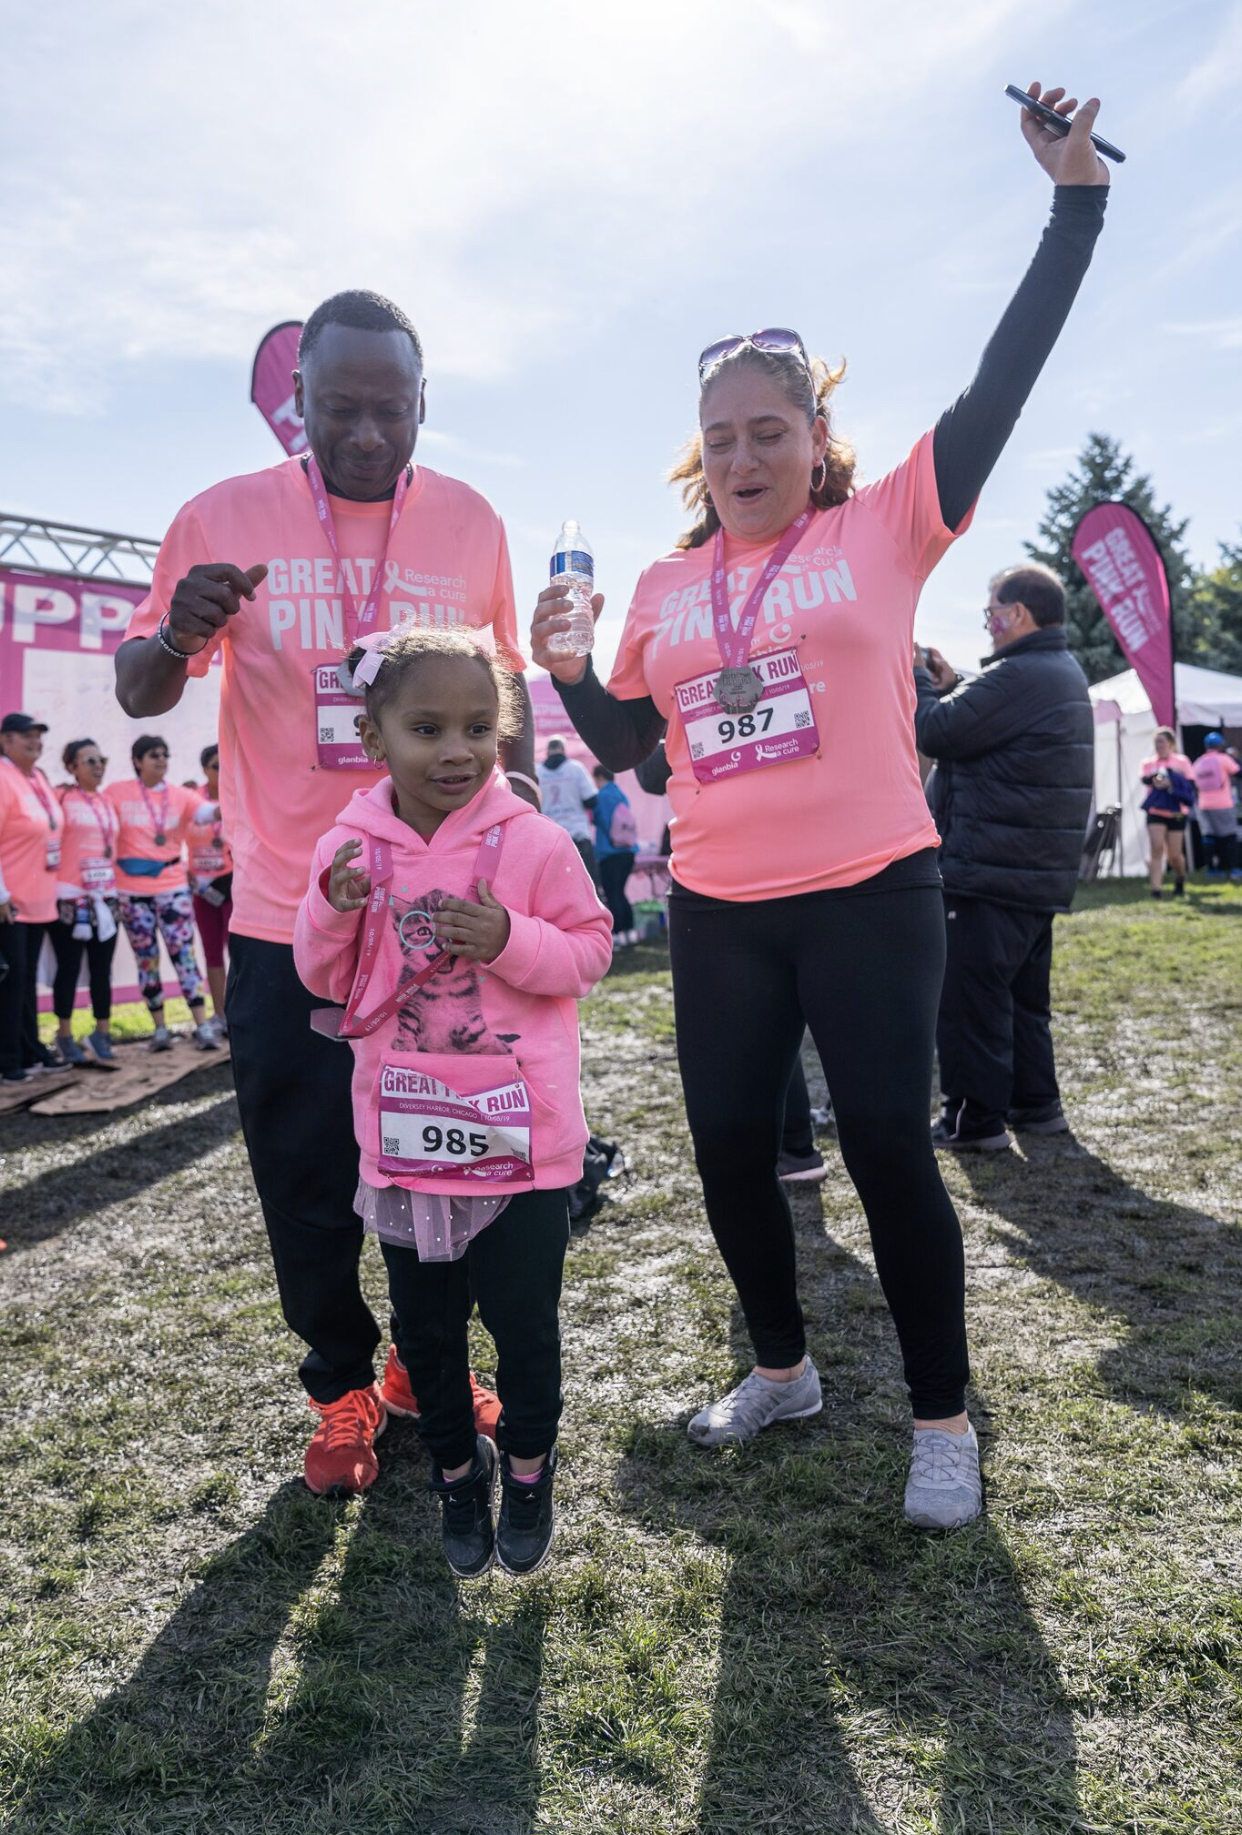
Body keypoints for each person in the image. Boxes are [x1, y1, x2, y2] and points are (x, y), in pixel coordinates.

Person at [531, 84, 1110, 1530]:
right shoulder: (662, 589)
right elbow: (636, 747)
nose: (741, 456)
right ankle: (781, 1367)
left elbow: (1003, 380)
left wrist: (1074, 201)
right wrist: (562, 669)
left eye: (767, 430)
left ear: (812, 434)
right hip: (720, 900)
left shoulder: (885, 525)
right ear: (697, 450)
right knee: (730, 1147)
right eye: (719, 435)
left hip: (871, 884)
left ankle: (939, 1412)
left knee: (879, 1140)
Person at [115, 289, 537, 1496]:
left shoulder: (470, 521)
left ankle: (423, 1370)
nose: (362, 433)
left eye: (388, 409)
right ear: (295, 401)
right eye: (337, 407)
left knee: (441, 1166)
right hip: (285, 924)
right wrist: (176, 632)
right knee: (305, 1181)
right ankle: (342, 1385)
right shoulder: (220, 516)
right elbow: (145, 688)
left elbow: (496, 712)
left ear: (422, 403)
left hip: (436, 925)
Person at [294, 626, 610, 1572]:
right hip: (408, 1143)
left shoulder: (537, 841)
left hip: (523, 1146)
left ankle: (524, 1472)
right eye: (426, 728)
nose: (456, 750)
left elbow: (588, 953)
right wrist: (333, 906)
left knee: (525, 1328)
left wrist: (510, 935)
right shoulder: (350, 847)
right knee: (427, 1336)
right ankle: (454, 1481)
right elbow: (319, 974)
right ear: (374, 734)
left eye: (478, 727)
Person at [915, 564, 1093, 1151]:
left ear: (1017, 613)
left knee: (970, 1001)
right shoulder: (1053, 670)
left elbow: (937, 732)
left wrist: (915, 680)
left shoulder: (1021, 675)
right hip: (1026, 870)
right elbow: (975, 719)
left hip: (989, 869)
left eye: (991, 612)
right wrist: (951, 682)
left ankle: (977, 1120)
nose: (988, 623)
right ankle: (1035, 1106)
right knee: (1021, 1003)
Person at [106, 735, 219, 1050]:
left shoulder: (180, 795)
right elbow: (99, 821)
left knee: (184, 956)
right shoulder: (117, 793)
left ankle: (202, 1026)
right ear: (137, 760)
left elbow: (207, 813)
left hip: (172, 889)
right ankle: (159, 1030)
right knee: (147, 960)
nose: (161, 759)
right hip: (131, 892)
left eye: (165, 754)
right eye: (153, 755)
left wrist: (233, 803)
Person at [0, 712, 64, 1081]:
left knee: (25, 984)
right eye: (27, 736)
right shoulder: (3, 776)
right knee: (10, 984)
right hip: (10, 903)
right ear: (5, 741)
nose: (35, 742)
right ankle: (8, 1059)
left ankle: (28, 1049)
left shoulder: (37, 777)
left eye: (39, 736)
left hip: (40, 901)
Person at [50, 738, 121, 1065]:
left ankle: (101, 1032)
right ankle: (64, 1035)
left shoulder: (107, 801)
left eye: (100, 759)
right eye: (89, 760)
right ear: (71, 767)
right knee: (67, 968)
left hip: (106, 897)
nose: (97, 766)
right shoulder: (60, 796)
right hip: (70, 897)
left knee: (101, 970)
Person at [191, 742, 233, 1036]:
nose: (222, 771)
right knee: (212, 952)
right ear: (205, 769)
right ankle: (220, 1015)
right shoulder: (192, 800)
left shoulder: (237, 794)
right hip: (201, 886)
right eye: (216, 766)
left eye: (225, 764)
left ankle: (237, 1011)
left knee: (239, 951)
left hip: (232, 880)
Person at [1140, 728, 1195, 899]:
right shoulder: (1148, 763)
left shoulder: (1181, 762)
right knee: (1156, 849)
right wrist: (1156, 778)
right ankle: (1156, 890)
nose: (1158, 745)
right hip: (1156, 811)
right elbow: (1144, 779)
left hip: (1177, 812)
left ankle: (1180, 878)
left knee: (1174, 855)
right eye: (1156, 741)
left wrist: (1171, 785)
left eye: (1162, 741)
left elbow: (1190, 785)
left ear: (1170, 743)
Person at [537, 738, 599, 883]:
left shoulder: (538, 772)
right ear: (563, 749)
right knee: (586, 884)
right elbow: (592, 800)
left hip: (550, 839)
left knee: (556, 885)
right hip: (578, 835)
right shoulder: (576, 768)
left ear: (548, 751)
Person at [591, 765, 639, 945]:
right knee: (621, 892)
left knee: (612, 894)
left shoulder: (602, 796)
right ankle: (630, 932)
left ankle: (617, 934)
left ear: (599, 777)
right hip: (628, 851)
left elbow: (602, 821)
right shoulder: (621, 794)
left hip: (610, 852)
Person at [1191, 732, 1241, 880]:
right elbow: (1239, 772)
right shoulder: (1223, 759)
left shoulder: (1199, 761)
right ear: (1220, 745)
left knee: (1209, 836)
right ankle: (1234, 869)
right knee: (1230, 836)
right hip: (1223, 804)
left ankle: (1211, 869)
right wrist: (1236, 758)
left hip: (1203, 805)